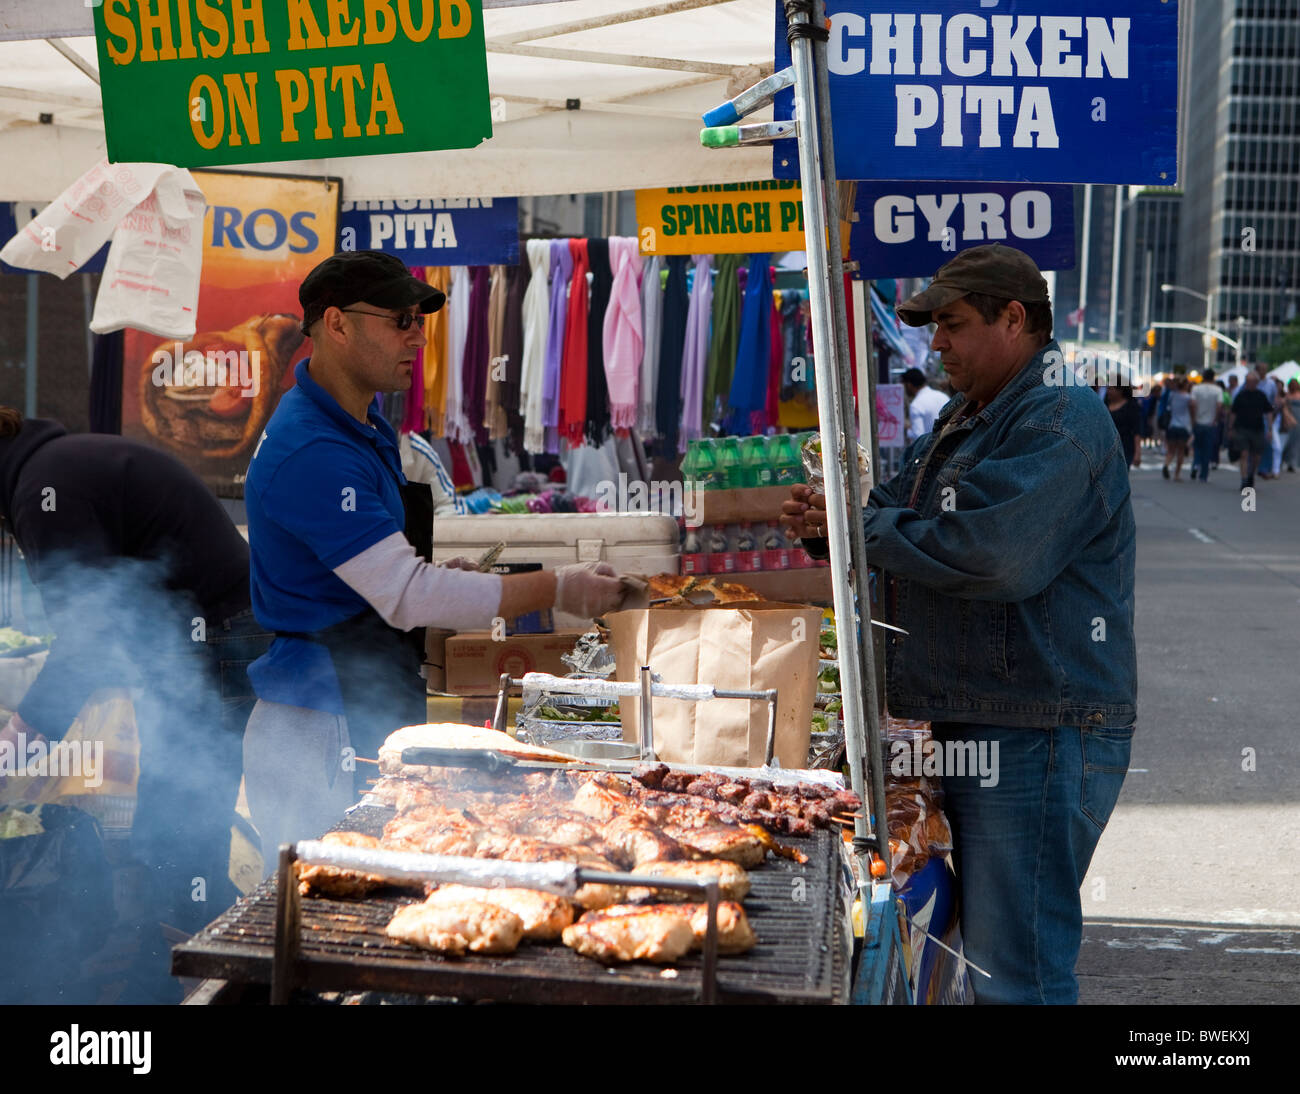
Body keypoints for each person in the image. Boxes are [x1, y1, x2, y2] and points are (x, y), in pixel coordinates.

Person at [781, 245, 1135, 1005]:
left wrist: (861, 529)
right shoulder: (971, 412)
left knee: (1017, 973)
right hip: (985, 715)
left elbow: (994, 556)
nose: (934, 342)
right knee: (976, 964)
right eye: (932, 325)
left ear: (1015, 319)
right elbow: (895, 519)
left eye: (951, 323)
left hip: (1039, 728)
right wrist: (833, 528)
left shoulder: (1062, 417)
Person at [243, 251, 626, 862]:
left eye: (419, 321)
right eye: (401, 320)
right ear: (336, 324)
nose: (418, 338)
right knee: (321, 910)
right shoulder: (312, 447)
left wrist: (436, 578)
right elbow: (405, 594)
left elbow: (382, 580)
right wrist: (557, 587)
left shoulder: (356, 424)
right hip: (319, 723)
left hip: (355, 697)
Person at [0, 409, 272, 1002]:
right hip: (209, 636)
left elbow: (89, 634)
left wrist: (17, 736)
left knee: (179, 826)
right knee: (176, 824)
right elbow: (114, 608)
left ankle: (201, 982)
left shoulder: (44, 489)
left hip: (221, 637)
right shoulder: (56, 469)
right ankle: (207, 968)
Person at [1229, 372, 1275, 489]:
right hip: (1242, 428)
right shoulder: (1241, 395)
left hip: (1257, 429)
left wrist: (1270, 429)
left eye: (1252, 382)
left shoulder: (1261, 396)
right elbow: (1233, 412)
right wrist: (1231, 427)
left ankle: (1251, 474)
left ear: (1256, 383)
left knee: (1256, 456)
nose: (1249, 384)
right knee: (1244, 453)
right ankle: (1244, 479)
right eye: (1247, 381)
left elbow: (1269, 412)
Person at [1189, 368, 1222, 482]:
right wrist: (1215, 419)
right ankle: (1203, 474)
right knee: (1207, 449)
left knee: (1197, 446)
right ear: (1213, 377)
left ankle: (1196, 464)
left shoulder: (1196, 388)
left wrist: (1193, 419)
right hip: (1210, 423)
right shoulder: (1217, 390)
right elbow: (1219, 406)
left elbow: (1192, 404)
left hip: (1198, 421)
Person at [901, 366, 950, 442]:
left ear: (909, 385)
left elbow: (918, 437)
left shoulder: (916, 405)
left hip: (932, 449)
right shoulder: (943, 396)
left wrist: (909, 429)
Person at [1105, 383, 1143, 468]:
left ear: (1120, 390)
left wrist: (1138, 452)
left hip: (1125, 447)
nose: (1108, 391)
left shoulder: (1131, 405)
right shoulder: (1105, 403)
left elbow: (1136, 430)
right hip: (1106, 448)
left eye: (1111, 388)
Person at [1162, 377, 1192, 481]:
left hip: (1172, 425)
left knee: (1171, 450)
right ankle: (1177, 474)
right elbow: (1191, 411)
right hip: (1183, 426)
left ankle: (1166, 464)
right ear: (1185, 385)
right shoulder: (1188, 397)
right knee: (1181, 452)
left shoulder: (1172, 395)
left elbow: (1168, 407)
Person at [1279, 378, 1300, 472]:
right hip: (1290, 419)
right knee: (1288, 442)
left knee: (1297, 443)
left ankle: (1293, 462)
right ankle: (1286, 461)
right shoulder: (1287, 396)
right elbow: (1284, 407)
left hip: (1298, 419)